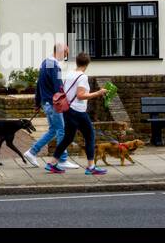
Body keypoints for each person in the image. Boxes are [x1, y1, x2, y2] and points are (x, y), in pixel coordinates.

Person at [22, 42, 80, 173]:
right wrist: (66, 102)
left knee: (53, 130)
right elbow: (58, 87)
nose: (66, 56)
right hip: (54, 104)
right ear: (60, 51)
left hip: (46, 102)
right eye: (66, 53)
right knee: (61, 130)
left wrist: (37, 103)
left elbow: (39, 84)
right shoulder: (55, 66)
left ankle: (32, 152)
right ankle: (63, 159)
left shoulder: (45, 63)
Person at [59, 52, 110, 176]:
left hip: (68, 109)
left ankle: (53, 162)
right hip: (78, 111)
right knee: (90, 136)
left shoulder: (70, 74)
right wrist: (98, 93)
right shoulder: (82, 77)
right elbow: (81, 96)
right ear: (87, 64)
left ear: (77, 62)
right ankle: (91, 167)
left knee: (68, 137)